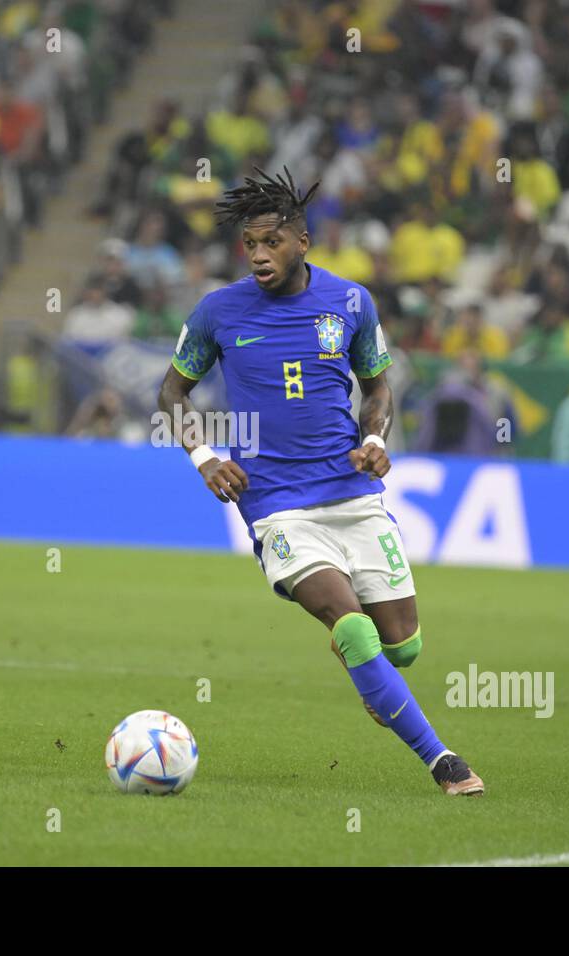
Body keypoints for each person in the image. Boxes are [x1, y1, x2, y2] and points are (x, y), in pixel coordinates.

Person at [157, 168, 484, 796]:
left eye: (271, 242)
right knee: (353, 626)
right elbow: (173, 390)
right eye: (249, 243)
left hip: (353, 495)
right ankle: (442, 760)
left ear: (303, 242)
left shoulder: (353, 302)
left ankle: (370, 673)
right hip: (276, 506)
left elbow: (379, 385)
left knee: (403, 647)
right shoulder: (218, 311)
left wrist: (376, 439)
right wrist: (203, 458)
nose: (257, 254)